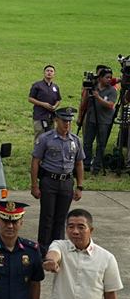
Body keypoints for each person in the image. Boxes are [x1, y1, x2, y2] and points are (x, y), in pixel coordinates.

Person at [31, 107, 84, 250]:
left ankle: (57, 250)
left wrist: (79, 186)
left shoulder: (75, 140)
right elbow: (35, 161)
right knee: (47, 217)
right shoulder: (45, 139)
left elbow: (79, 163)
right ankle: (43, 250)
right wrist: (34, 185)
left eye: (69, 121)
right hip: (49, 181)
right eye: (64, 121)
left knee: (61, 219)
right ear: (56, 120)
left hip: (66, 182)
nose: (67, 124)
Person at [81, 66, 118, 174]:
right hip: (91, 119)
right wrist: (87, 92)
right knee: (87, 143)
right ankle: (86, 164)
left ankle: (97, 166)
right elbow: (85, 102)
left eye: (110, 77)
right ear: (100, 78)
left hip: (104, 121)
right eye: (107, 77)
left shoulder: (112, 90)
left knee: (101, 145)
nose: (109, 79)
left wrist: (98, 97)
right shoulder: (93, 87)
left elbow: (110, 105)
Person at [28, 65, 61, 138]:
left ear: (54, 74)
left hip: (51, 117)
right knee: (40, 137)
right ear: (44, 73)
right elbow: (30, 99)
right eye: (47, 71)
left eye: (51, 71)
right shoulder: (37, 85)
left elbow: (59, 99)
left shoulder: (55, 87)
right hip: (40, 116)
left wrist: (55, 106)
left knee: (50, 137)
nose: (49, 72)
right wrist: (43, 104)